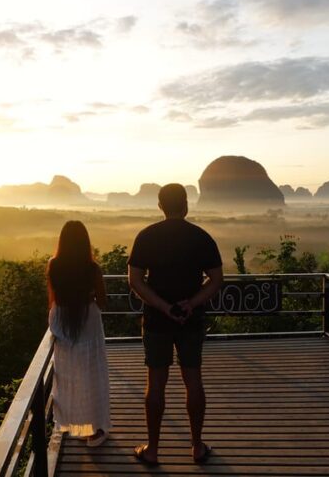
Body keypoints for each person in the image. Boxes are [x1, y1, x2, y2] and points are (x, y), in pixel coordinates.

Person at [128, 183, 223, 466]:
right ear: (186, 205)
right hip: (190, 319)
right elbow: (216, 280)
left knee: (156, 382)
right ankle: (197, 446)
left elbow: (135, 281)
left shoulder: (146, 236)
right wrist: (191, 304)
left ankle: (153, 449)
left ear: (160, 205)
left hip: (157, 320)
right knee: (193, 380)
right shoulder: (201, 237)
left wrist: (163, 307)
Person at [47, 220, 110, 447]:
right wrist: (89, 297)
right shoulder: (92, 269)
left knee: (67, 373)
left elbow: (52, 299)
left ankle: (77, 423)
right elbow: (102, 301)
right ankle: (95, 429)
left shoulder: (53, 265)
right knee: (93, 373)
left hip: (62, 321)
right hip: (88, 321)